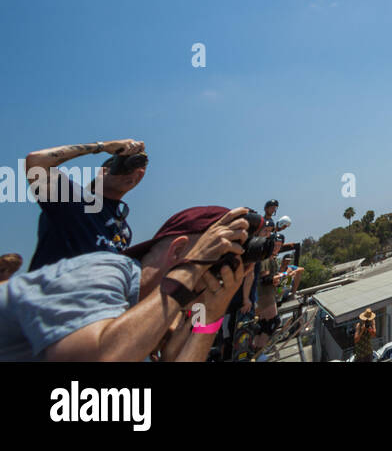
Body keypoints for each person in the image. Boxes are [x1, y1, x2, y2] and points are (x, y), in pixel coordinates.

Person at [0, 206, 251, 361]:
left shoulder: (145, 310)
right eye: (216, 263)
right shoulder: (103, 272)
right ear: (179, 251)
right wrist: (192, 267)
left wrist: (211, 316)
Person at [24, 138, 147, 270]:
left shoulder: (124, 229)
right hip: (51, 287)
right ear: (104, 172)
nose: (137, 172)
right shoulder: (72, 198)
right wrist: (103, 147)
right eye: (127, 166)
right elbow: (36, 161)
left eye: (140, 169)